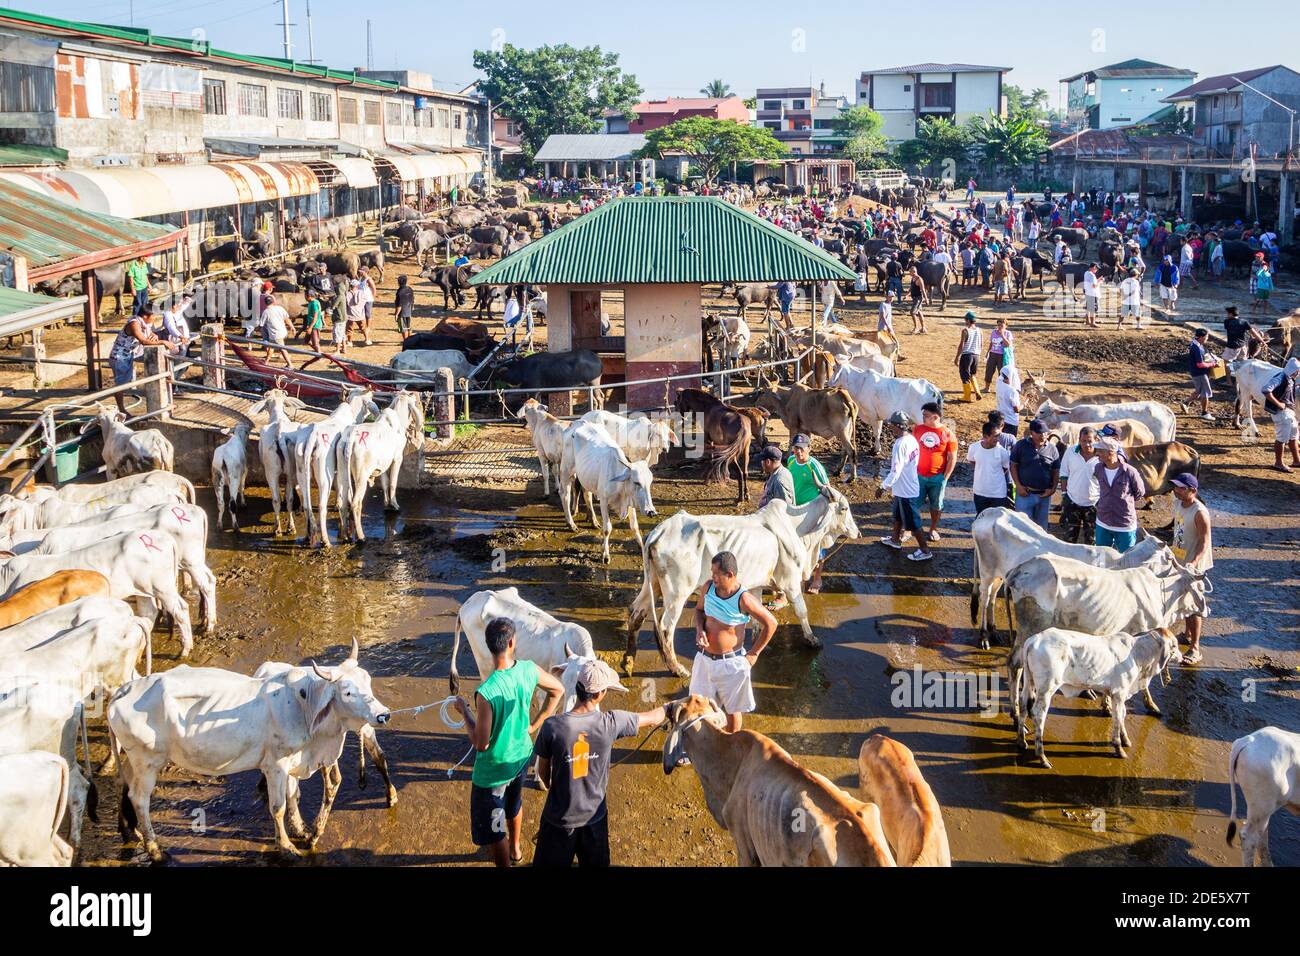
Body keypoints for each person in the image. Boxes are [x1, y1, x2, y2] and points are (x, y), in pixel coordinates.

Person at [452, 617, 565, 867]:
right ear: (512, 642)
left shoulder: (487, 691)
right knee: (514, 805)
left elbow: (481, 744)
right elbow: (558, 690)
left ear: (488, 645)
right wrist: (535, 725)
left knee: (495, 829)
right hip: (522, 756)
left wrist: (465, 713)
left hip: (493, 772)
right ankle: (516, 850)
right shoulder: (529, 669)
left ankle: (506, 859)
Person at [532, 659, 664, 867]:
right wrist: (676, 705)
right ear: (600, 694)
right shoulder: (610, 722)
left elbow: (543, 775)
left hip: (558, 819)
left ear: (577, 686)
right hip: (594, 819)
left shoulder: (552, 727)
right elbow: (654, 717)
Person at [690, 551, 778, 733]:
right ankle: (694, 747)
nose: (712, 577)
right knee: (697, 707)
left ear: (729, 575)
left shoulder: (743, 599)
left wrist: (753, 654)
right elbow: (698, 611)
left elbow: (771, 623)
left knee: (733, 712)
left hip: (731, 664)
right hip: (704, 660)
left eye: (716, 574)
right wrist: (700, 630)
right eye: (711, 572)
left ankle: (730, 749)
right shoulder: (708, 588)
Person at [876, 411, 931, 562]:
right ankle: (894, 540)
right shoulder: (912, 439)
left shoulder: (900, 445)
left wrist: (883, 486)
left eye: (891, 425)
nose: (890, 428)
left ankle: (925, 550)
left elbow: (895, 471)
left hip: (907, 491)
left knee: (914, 522)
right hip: (904, 487)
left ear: (896, 426)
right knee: (898, 516)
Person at [1169, 473, 1212, 664]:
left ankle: (1195, 648)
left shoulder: (1200, 512)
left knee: (1194, 606)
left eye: (1180, 488)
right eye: (1176, 487)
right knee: (1183, 602)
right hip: (1179, 560)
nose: (1176, 490)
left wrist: (1194, 563)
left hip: (1193, 567)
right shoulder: (1178, 503)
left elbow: (1205, 541)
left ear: (1192, 491)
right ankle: (1186, 635)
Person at [785, 434, 830, 590]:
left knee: (817, 546)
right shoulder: (790, 461)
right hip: (795, 510)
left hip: (813, 512)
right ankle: (800, 575)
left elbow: (827, 489)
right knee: (796, 544)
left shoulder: (814, 466)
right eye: (796, 448)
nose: (798, 452)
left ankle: (817, 578)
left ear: (809, 449)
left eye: (801, 449)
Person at [1092, 437, 1145, 553]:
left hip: (1124, 524)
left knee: (1127, 557)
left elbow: (1140, 492)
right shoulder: (1098, 468)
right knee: (1101, 558)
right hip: (1103, 522)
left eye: (1100, 451)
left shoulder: (1130, 472)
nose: (1097, 454)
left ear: (1110, 452)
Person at [913, 402, 956, 540]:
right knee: (913, 504)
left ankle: (933, 529)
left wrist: (945, 478)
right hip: (918, 476)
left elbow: (952, 458)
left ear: (935, 417)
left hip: (937, 478)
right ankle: (910, 528)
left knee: (936, 506)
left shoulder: (948, 434)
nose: (923, 418)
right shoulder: (917, 429)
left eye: (926, 415)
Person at [107, 306, 163, 413]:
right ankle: (121, 410)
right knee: (120, 385)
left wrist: (153, 335)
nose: (155, 318)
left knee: (123, 383)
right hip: (120, 357)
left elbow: (148, 334)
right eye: (153, 316)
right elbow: (144, 341)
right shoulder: (134, 324)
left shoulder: (143, 323)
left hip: (128, 355)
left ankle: (122, 408)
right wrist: (163, 342)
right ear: (145, 316)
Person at [1009, 420, 1059, 529]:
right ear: (1031, 433)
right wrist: (1019, 486)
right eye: (1039, 433)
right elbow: (1013, 466)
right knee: (1022, 527)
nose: (1043, 435)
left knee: (1041, 528)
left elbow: (1056, 471)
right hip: (1025, 494)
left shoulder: (1052, 449)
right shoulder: (1021, 445)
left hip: (1044, 496)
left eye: (1045, 432)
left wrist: (1053, 489)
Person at [1057, 425, 1100, 543]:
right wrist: (1065, 494)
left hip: (1094, 503)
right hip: (1072, 502)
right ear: (1079, 440)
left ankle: (1091, 562)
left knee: (1092, 540)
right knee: (1069, 539)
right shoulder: (1070, 452)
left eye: (1090, 441)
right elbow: (1064, 474)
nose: (1087, 444)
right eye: (1083, 441)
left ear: (1096, 440)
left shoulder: (1101, 456)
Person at [1262, 357, 1300, 472]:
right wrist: (1278, 404)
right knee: (1282, 438)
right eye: (1298, 371)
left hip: (1290, 412)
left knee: (1294, 436)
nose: (1298, 373)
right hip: (1282, 413)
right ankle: (1278, 463)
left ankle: (1297, 460)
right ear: (1294, 370)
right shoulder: (1281, 377)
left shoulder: (1290, 378)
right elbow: (1266, 389)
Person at [968, 419, 1012, 513]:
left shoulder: (1002, 452)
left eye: (998, 436)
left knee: (997, 521)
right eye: (994, 436)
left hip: (998, 494)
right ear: (985, 436)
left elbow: (1006, 468)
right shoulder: (974, 448)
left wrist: (994, 475)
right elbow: (972, 461)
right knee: (981, 518)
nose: (997, 439)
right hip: (979, 492)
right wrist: (983, 470)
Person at [1182, 327, 1218, 423]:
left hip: (1196, 372)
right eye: (1206, 337)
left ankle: (1185, 402)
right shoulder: (1197, 348)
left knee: (1198, 391)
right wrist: (1213, 364)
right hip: (1200, 373)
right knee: (1205, 393)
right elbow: (1200, 364)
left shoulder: (1196, 344)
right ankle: (1204, 413)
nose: (1207, 338)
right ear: (1201, 337)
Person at [258, 296, 295, 368]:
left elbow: (261, 325)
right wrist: (292, 327)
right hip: (283, 332)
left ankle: (290, 364)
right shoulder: (280, 308)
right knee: (272, 347)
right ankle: (266, 362)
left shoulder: (266, 312)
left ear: (265, 303)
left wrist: (257, 329)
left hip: (275, 334)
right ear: (273, 302)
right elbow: (287, 319)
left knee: (282, 349)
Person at [955, 311, 983, 402]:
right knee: (972, 374)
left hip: (967, 355)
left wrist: (957, 357)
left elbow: (961, 345)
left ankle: (967, 396)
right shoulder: (980, 330)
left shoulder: (965, 331)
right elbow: (981, 344)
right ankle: (977, 391)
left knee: (965, 376)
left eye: (965, 320)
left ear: (968, 320)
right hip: (976, 355)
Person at [984, 317, 1013, 392]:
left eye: (1001, 325)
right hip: (993, 354)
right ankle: (987, 388)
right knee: (989, 371)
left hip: (1002, 356)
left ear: (1006, 326)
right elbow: (991, 343)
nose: (999, 327)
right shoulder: (993, 332)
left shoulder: (1008, 333)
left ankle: (1002, 389)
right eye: (998, 325)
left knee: (1002, 373)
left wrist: (1002, 335)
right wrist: (987, 353)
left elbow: (1008, 344)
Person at [299, 290, 326, 368]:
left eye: (305, 296)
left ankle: (320, 357)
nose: (304, 297)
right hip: (311, 325)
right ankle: (319, 353)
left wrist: (310, 327)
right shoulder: (311, 302)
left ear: (309, 296)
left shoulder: (314, 303)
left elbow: (316, 316)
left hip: (315, 325)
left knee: (315, 343)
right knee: (306, 341)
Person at [996, 364, 1023, 437]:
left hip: (1000, 419)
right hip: (1011, 422)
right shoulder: (1012, 391)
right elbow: (1017, 409)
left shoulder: (998, 382)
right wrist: (1025, 402)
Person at [907, 264, 928, 333]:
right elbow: (912, 287)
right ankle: (923, 328)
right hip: (915, 297)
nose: (909, 273)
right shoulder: (913, 278)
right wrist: (908, 294)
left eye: (910, 272)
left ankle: (916, 328)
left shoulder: (919, 279)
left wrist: (926, 299)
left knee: (912, 312)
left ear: (913, 272)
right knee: (919, 312)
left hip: (918, 298)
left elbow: (923, 290)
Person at [393, 274, 415, 339]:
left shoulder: (399, 292)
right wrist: (412, 307)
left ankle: (406, 341)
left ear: (399, 282)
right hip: (409, 310)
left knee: (403, 328)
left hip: (402, 313)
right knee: (408, 327)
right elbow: (412, 299)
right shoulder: (409, 289)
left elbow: (399, 305)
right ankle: (410, 340)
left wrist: (396, 314)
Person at [1081, 263, 1102, 328]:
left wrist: (1098, 280)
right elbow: (1094, 285)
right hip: (1093, 294)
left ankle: (1088, 321)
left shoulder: (1086, 273)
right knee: (1093, 309)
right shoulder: (1092, 275)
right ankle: (1093, 323)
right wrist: (1100, 282)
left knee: (1088, 308)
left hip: (1088, 293)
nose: (1097, 270)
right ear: (1094, 267)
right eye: (1096, 268)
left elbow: (1092, 283)